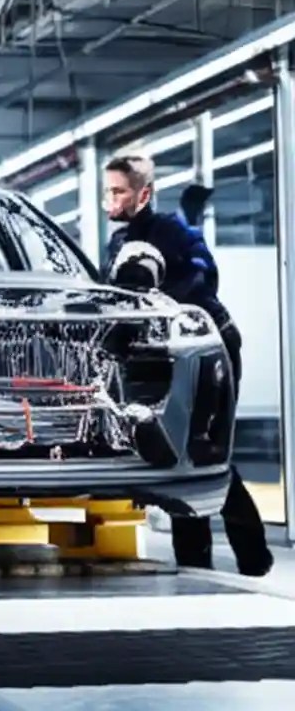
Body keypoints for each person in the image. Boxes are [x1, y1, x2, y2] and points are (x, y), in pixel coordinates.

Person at [100, 155, 273, 577]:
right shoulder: (119, 243)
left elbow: (202, 276)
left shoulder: (173, 233)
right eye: (107, 191)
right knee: (178, 448)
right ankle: (196, 561)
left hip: (211, 346)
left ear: (144, 193)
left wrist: (161, 288)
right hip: (166, 351)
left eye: (119, 191)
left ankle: (252, 555)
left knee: (205, 448)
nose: (110, 200)